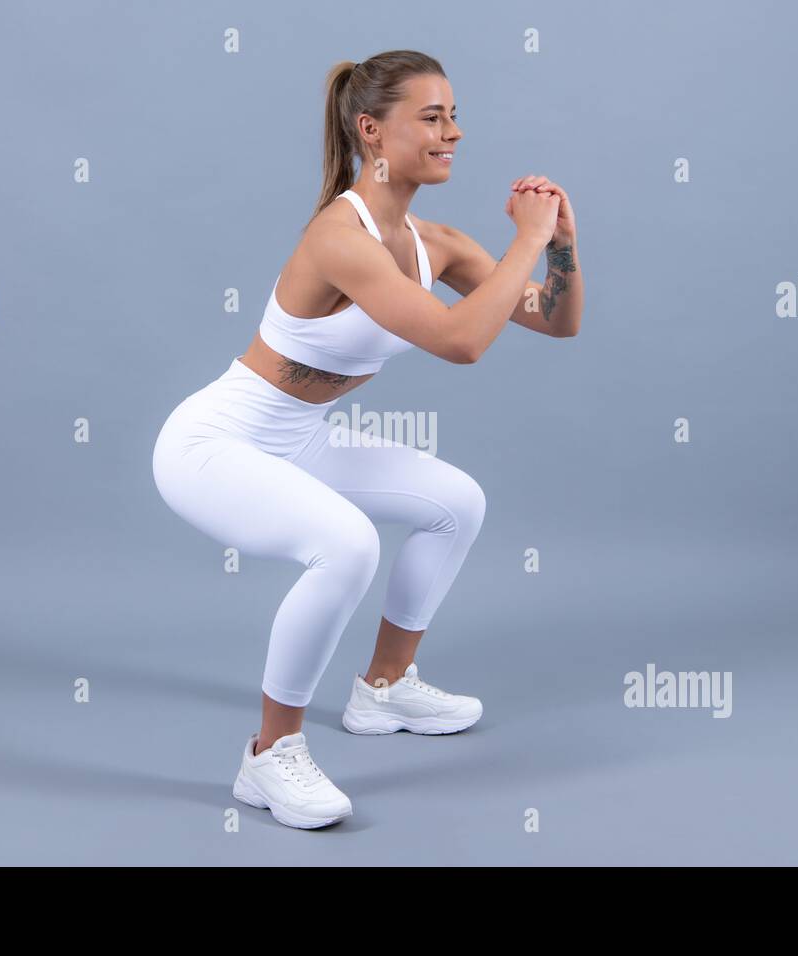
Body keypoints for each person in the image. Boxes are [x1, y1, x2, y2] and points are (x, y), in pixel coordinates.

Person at [151, 50, 583, 829]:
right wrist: (525, 236)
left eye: (453, 114)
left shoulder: (437, 243)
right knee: (346, 545)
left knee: (457, 501)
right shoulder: (337, 239)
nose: (453, 130)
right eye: (432, 116)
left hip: (300, 437)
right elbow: (460, 342)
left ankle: (384, 690)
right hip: (214, 444)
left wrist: (560, 244)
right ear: (371, 131)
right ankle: (268, 757)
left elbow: (554, 318)